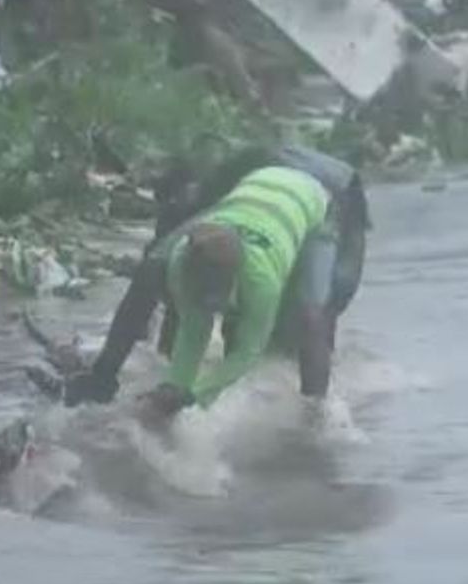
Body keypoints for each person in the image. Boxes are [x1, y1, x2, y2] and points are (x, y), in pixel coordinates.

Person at [64, 144, 368, 421]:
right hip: (251, 195)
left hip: (319, 204)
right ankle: (102, 378)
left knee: (311, 316)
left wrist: (194, 396)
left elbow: (247, 351)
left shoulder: (261, 279)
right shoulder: (182, 260)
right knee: (154, 273)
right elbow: (193, 327)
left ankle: (316, 419)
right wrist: (174, 386)